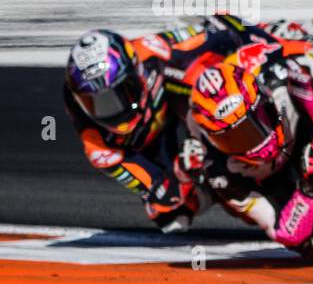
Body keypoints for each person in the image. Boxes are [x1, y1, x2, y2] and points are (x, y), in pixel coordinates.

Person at [62, 14, 286, 232]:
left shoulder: (153, 51)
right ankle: (252, 195)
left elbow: (219, 28)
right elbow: (158, 193)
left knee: (226, 70)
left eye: (122, 94)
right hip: (162, 148)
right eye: (97, 104)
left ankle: (271, 112)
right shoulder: (99, 147)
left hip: (182, 100)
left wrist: (261, 39)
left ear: (136, 72)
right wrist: (182, 171)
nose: (114, 110)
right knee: (170, 215)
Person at [188, 41, 313, 258]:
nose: (253, 142)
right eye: (232, 138)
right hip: (288, 185)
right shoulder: (219, 173)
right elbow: (283, 231)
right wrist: (308, 189)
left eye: (255, 121)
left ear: (264, 97)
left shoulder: (282, 80)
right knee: (308, 244)